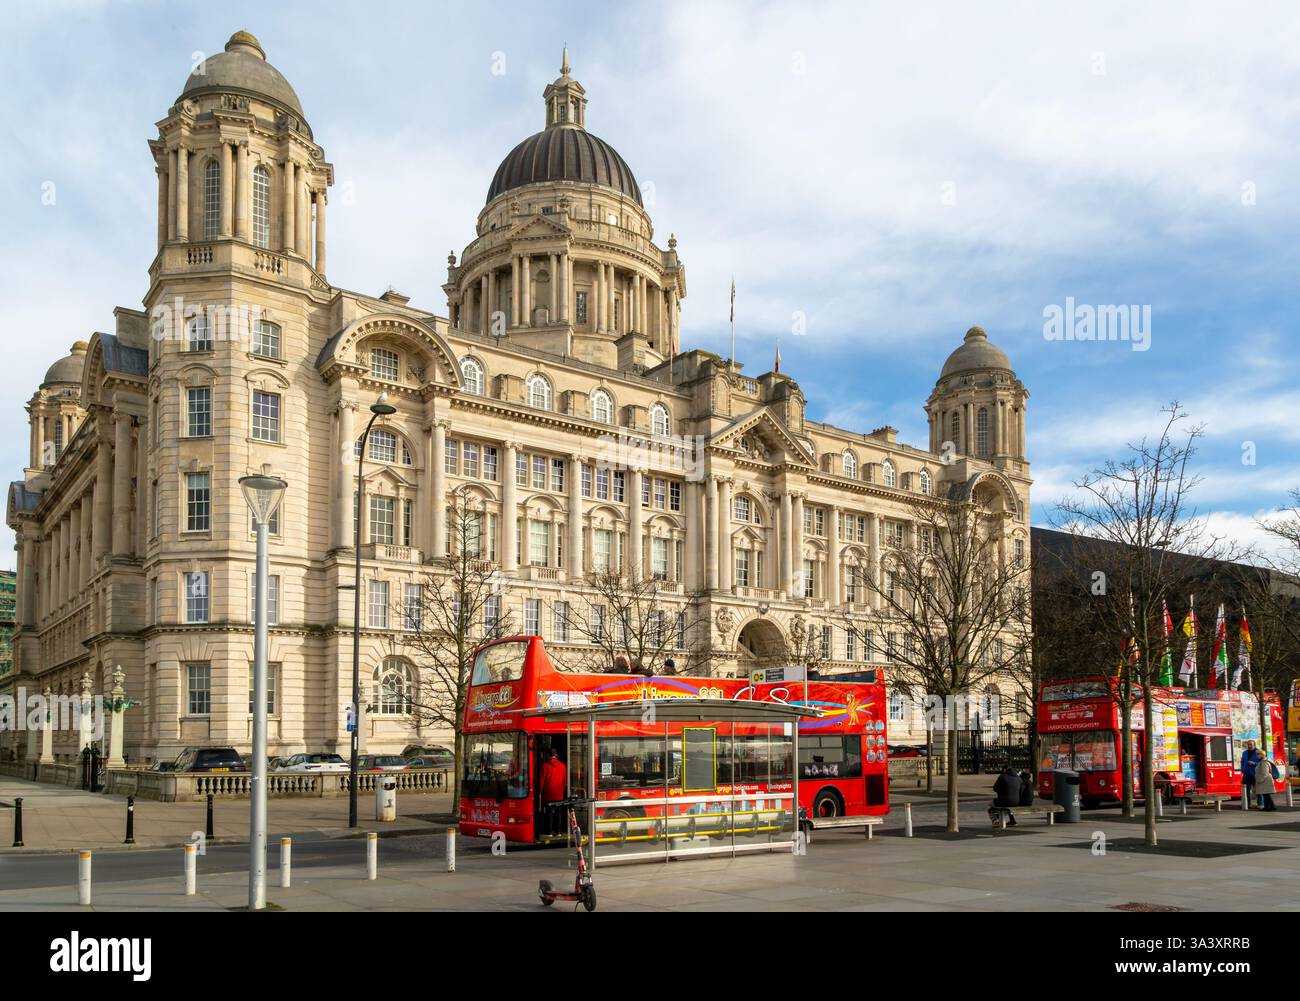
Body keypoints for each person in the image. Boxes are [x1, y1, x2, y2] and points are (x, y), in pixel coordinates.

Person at [538, 748, 568, 836]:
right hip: (559, 794)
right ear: (556, 755)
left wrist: (540, 791)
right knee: (558, 813)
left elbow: (542, 781)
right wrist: (562, 791)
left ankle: (549, 832)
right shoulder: (563, 766)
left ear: (548, 755)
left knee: (549, 812)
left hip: (548, 793)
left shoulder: (545, 766)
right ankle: (558, 831)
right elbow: (564, 781)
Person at [1240, 741, 1259, 806]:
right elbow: (1242, 762)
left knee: (1258, 790)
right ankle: (1247, 804)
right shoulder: (1244, 753)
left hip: (1255, 773)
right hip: (1246, 774)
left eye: (1250, 744)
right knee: (1246, 790)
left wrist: (1254, 763)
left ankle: (1260, 803)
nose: (1249, 746)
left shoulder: (1258, 752)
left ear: (1254, 745)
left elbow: (1263, 762)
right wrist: (1243, 770)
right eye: (1248, 744)